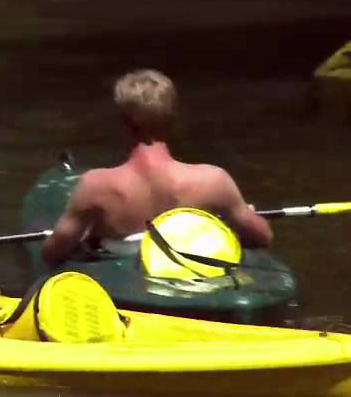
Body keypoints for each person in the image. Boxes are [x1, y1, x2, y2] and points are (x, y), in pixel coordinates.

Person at [41, 69, 273, 267]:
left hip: (125, 274)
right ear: (173, 119)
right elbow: (262, 237)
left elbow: (53, 253)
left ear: (122, 123)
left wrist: (85, 236)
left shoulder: (96, 185)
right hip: (194, 273)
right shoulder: (213, 181)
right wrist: (245, 217)